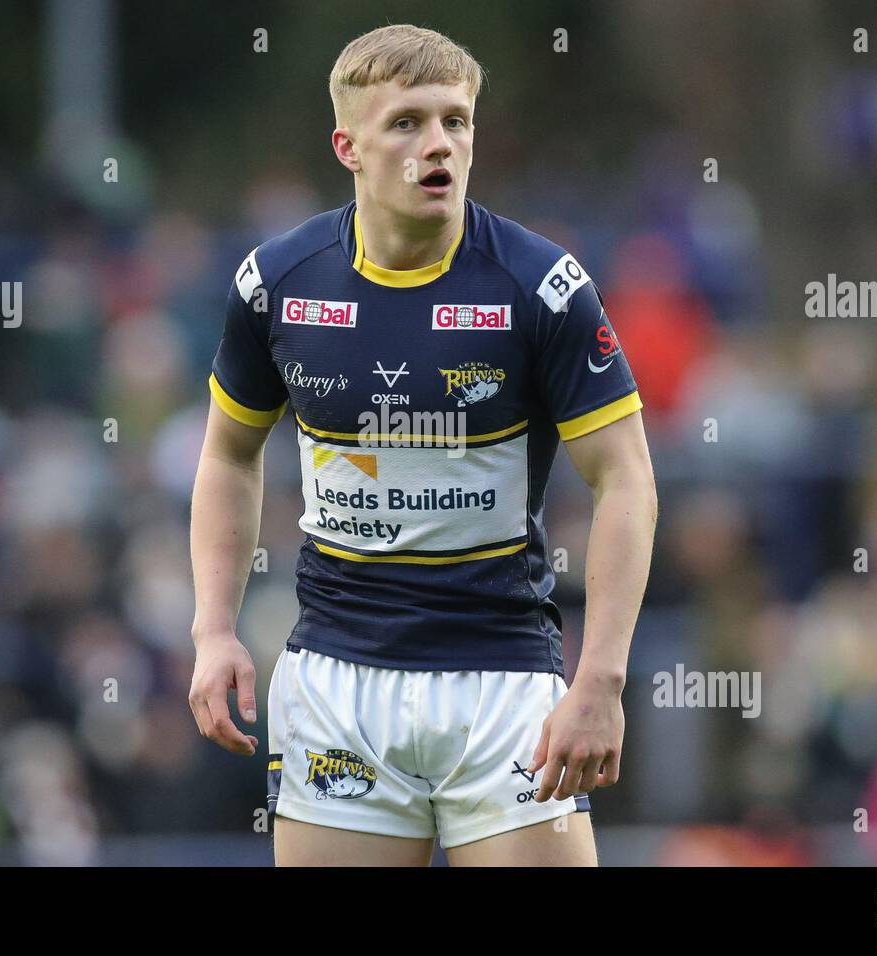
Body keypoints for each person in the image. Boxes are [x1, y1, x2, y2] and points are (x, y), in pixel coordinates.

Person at [188, 24, 657, 866]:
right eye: (407, 122)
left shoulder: (542, 288)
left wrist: (602, 678)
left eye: (456, 120)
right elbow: (228, 454)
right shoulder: (278, 285)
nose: (438, 143)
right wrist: (213, 629)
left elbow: (625, 477)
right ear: (349, 147)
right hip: (338, 682)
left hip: (505, 685)